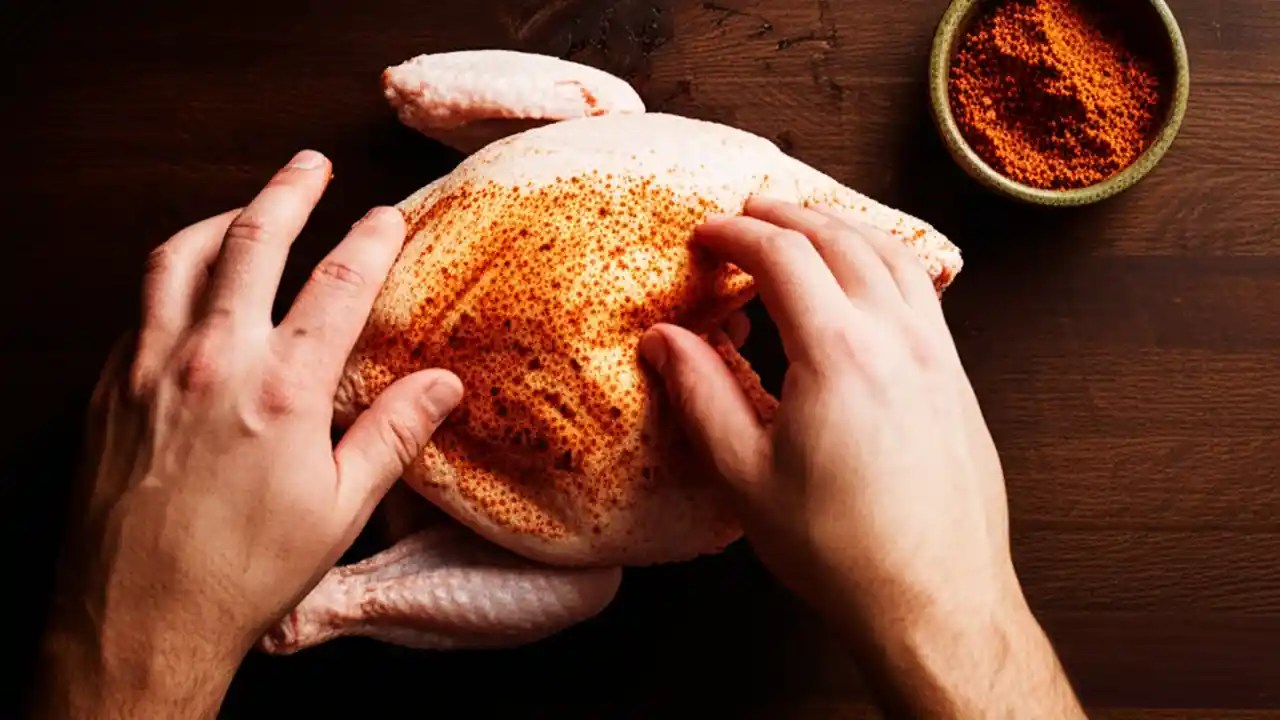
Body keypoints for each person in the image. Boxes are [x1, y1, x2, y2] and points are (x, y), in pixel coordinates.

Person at [30, 150, 1085, 718]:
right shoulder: (716, 504)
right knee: (586, 587)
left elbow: (582, 116)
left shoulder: (648, 155)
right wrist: (949, 605)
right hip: (463, 453)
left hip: (432, 260)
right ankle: (328, 607)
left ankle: (329, 603)